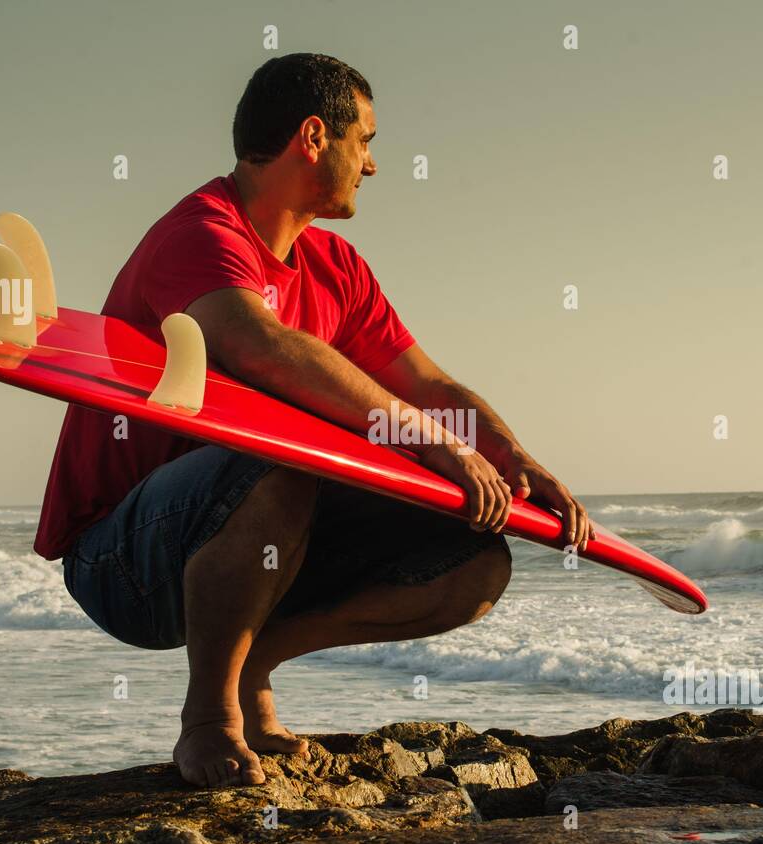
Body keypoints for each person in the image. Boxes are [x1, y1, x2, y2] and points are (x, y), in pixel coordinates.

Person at [34, 53, 594, 789]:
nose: (372, 165)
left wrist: (511, 458)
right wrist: (438, 446)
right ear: (312, 137)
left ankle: (255, 661)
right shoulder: (201, 233)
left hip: (258, 537)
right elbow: (258, 344)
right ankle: (209, 716)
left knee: (475, 560)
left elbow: (423, 382)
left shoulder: (339, 268)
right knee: (280, 455)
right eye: (364, 140)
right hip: (122, 558)